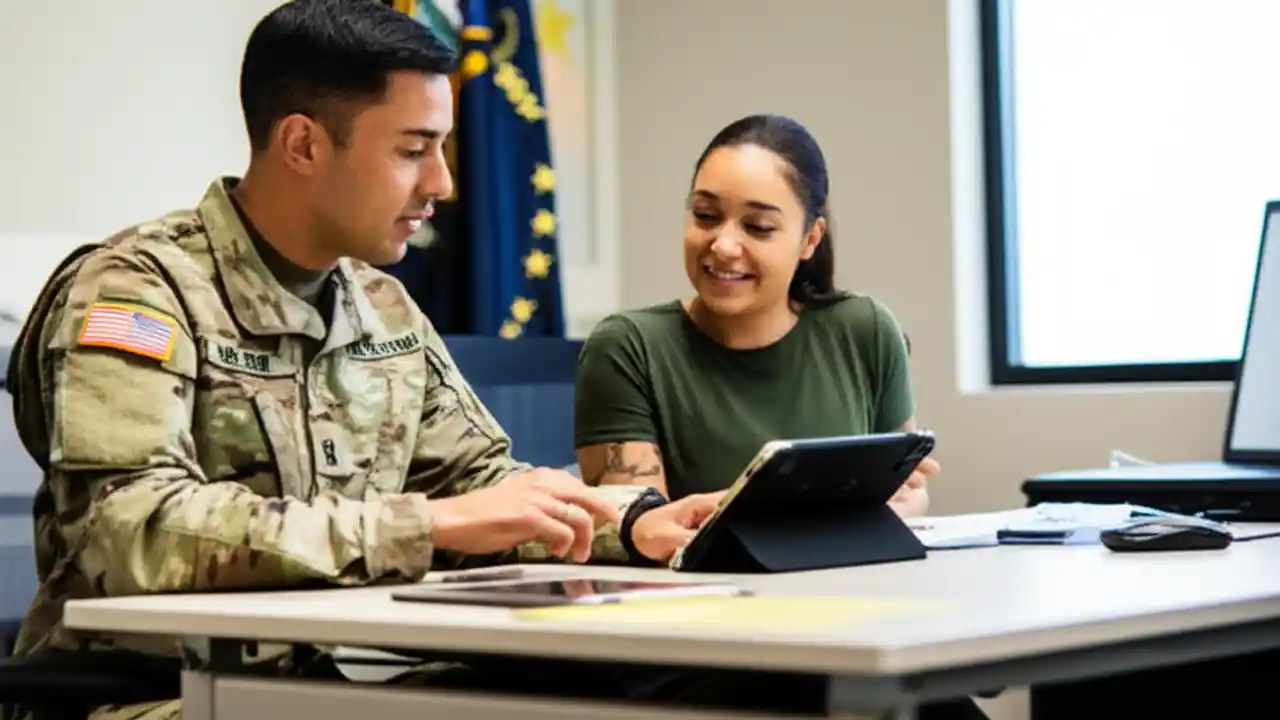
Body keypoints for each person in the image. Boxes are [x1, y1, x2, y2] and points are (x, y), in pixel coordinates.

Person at [0, 2, 723, 719]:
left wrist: (622, 527)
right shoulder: (139, 291)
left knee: (676, 692)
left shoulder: (383, 304)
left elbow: (477, 485)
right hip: (148, 695)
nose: (442, 183)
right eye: (413, 150)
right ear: (304, 145)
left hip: (329, 683)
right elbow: (134, 531)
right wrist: (428, 527)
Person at [574, 113, 940, 517]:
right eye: (705, 215)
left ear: (809, 239)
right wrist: (839, 508)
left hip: (848, 580)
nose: (724, 245)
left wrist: (899, 502)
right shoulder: (627, 348)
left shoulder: (866, 330)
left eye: (759, 226)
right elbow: (641, 532)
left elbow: (908, 496)